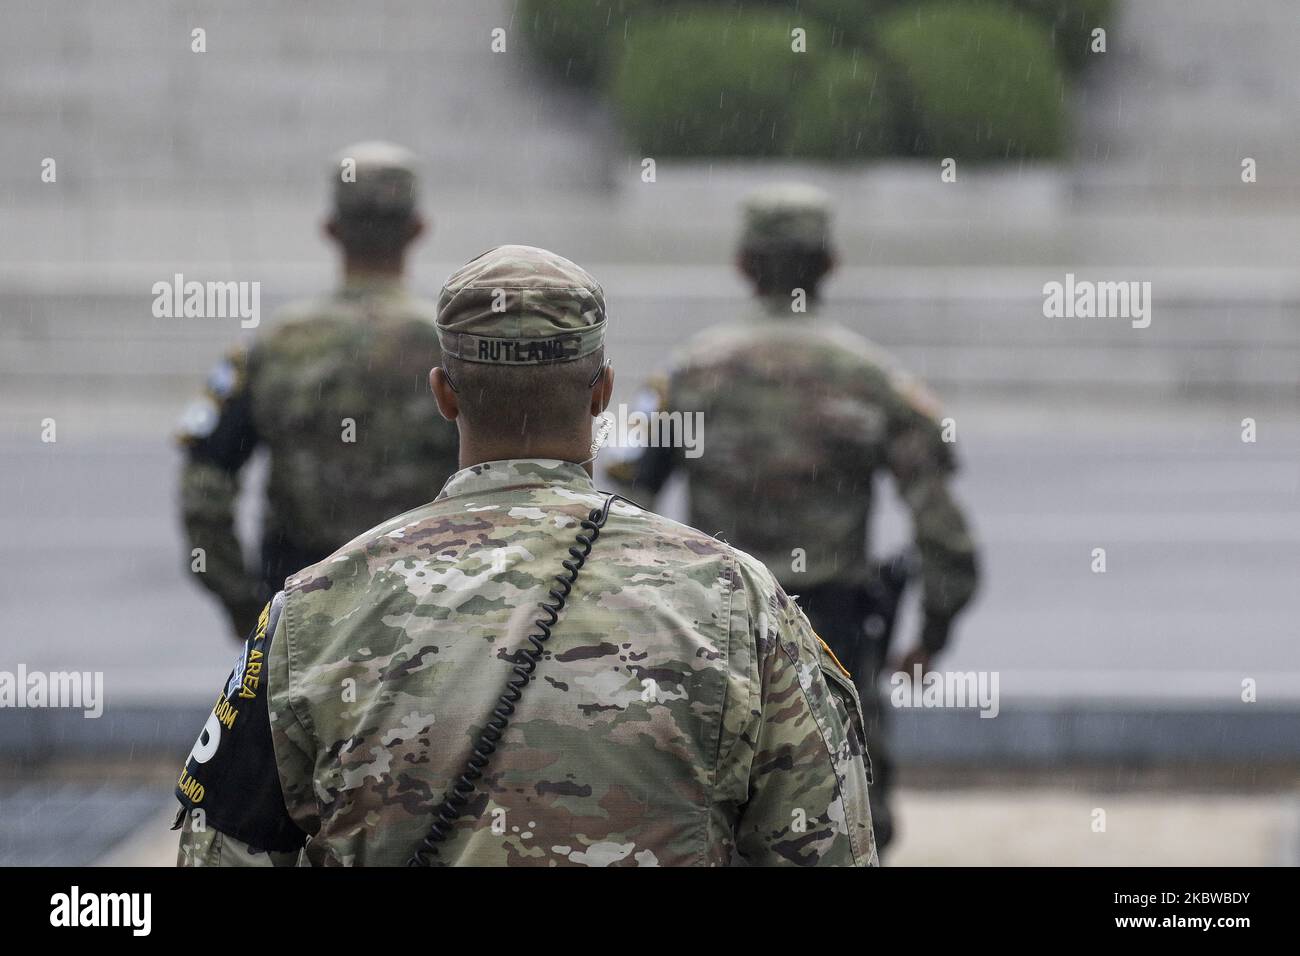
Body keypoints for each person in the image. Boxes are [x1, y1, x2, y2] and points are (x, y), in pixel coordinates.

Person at [173, 244, 876, 867]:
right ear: (601, 392)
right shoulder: (736, 600)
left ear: (444, 395)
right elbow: (828, 843)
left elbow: (219, 847)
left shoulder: (310, 614)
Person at [604, 184, 980, 853]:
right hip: (831, 635)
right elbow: (945, 535)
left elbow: (623, 510)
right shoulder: (873, 378)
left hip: (705, 632)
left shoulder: (687, 375)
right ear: (830, 265)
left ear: (744, 265)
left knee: (701, 817)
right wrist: (932, 637)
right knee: (843, 818)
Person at [177, 141, 458, 638]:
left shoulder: (273, 346)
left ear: (330, 230)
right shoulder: (451, 349)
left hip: (301, 622)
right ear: (418, 230)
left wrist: (246, 607)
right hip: (430, 621)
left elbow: (205, 487)